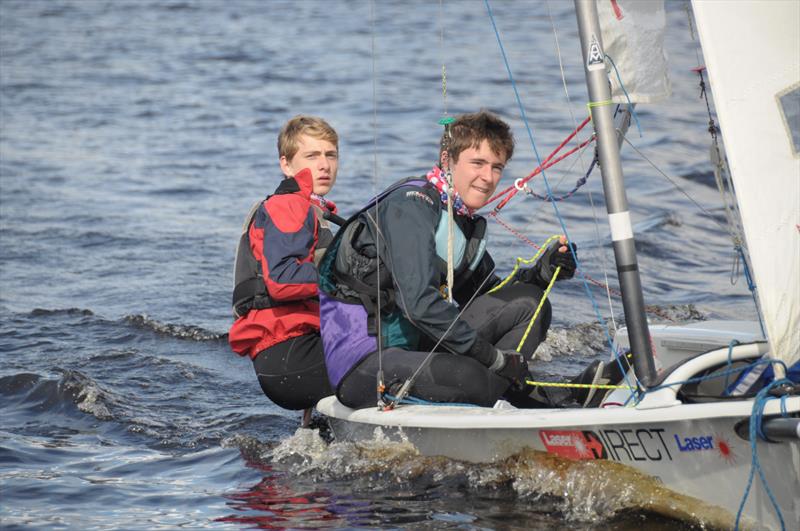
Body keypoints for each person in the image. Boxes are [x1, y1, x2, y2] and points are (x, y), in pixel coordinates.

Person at [317, 110, 583, 410]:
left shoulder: (458, 220)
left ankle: (516, 392)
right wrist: (494, 359)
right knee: (474, 376)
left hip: (419, 349)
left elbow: (487, 299)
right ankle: (528, 399)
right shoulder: (411, 208)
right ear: (447, 161)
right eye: (478, 163)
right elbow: (418, 305)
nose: (488, 177)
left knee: (529, 304)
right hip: (365, 364)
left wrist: (543, 274)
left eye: (497, 167)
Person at [229, 115, 340, 425]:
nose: (324, 165)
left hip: (281, 355)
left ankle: (314, 426)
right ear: (286, 165)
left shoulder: (312, 209)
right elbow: (282, 279)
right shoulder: (290, 205)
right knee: (397, 352)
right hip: (288, 353)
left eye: (330, 155)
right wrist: (348, 278)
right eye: (312, 156)